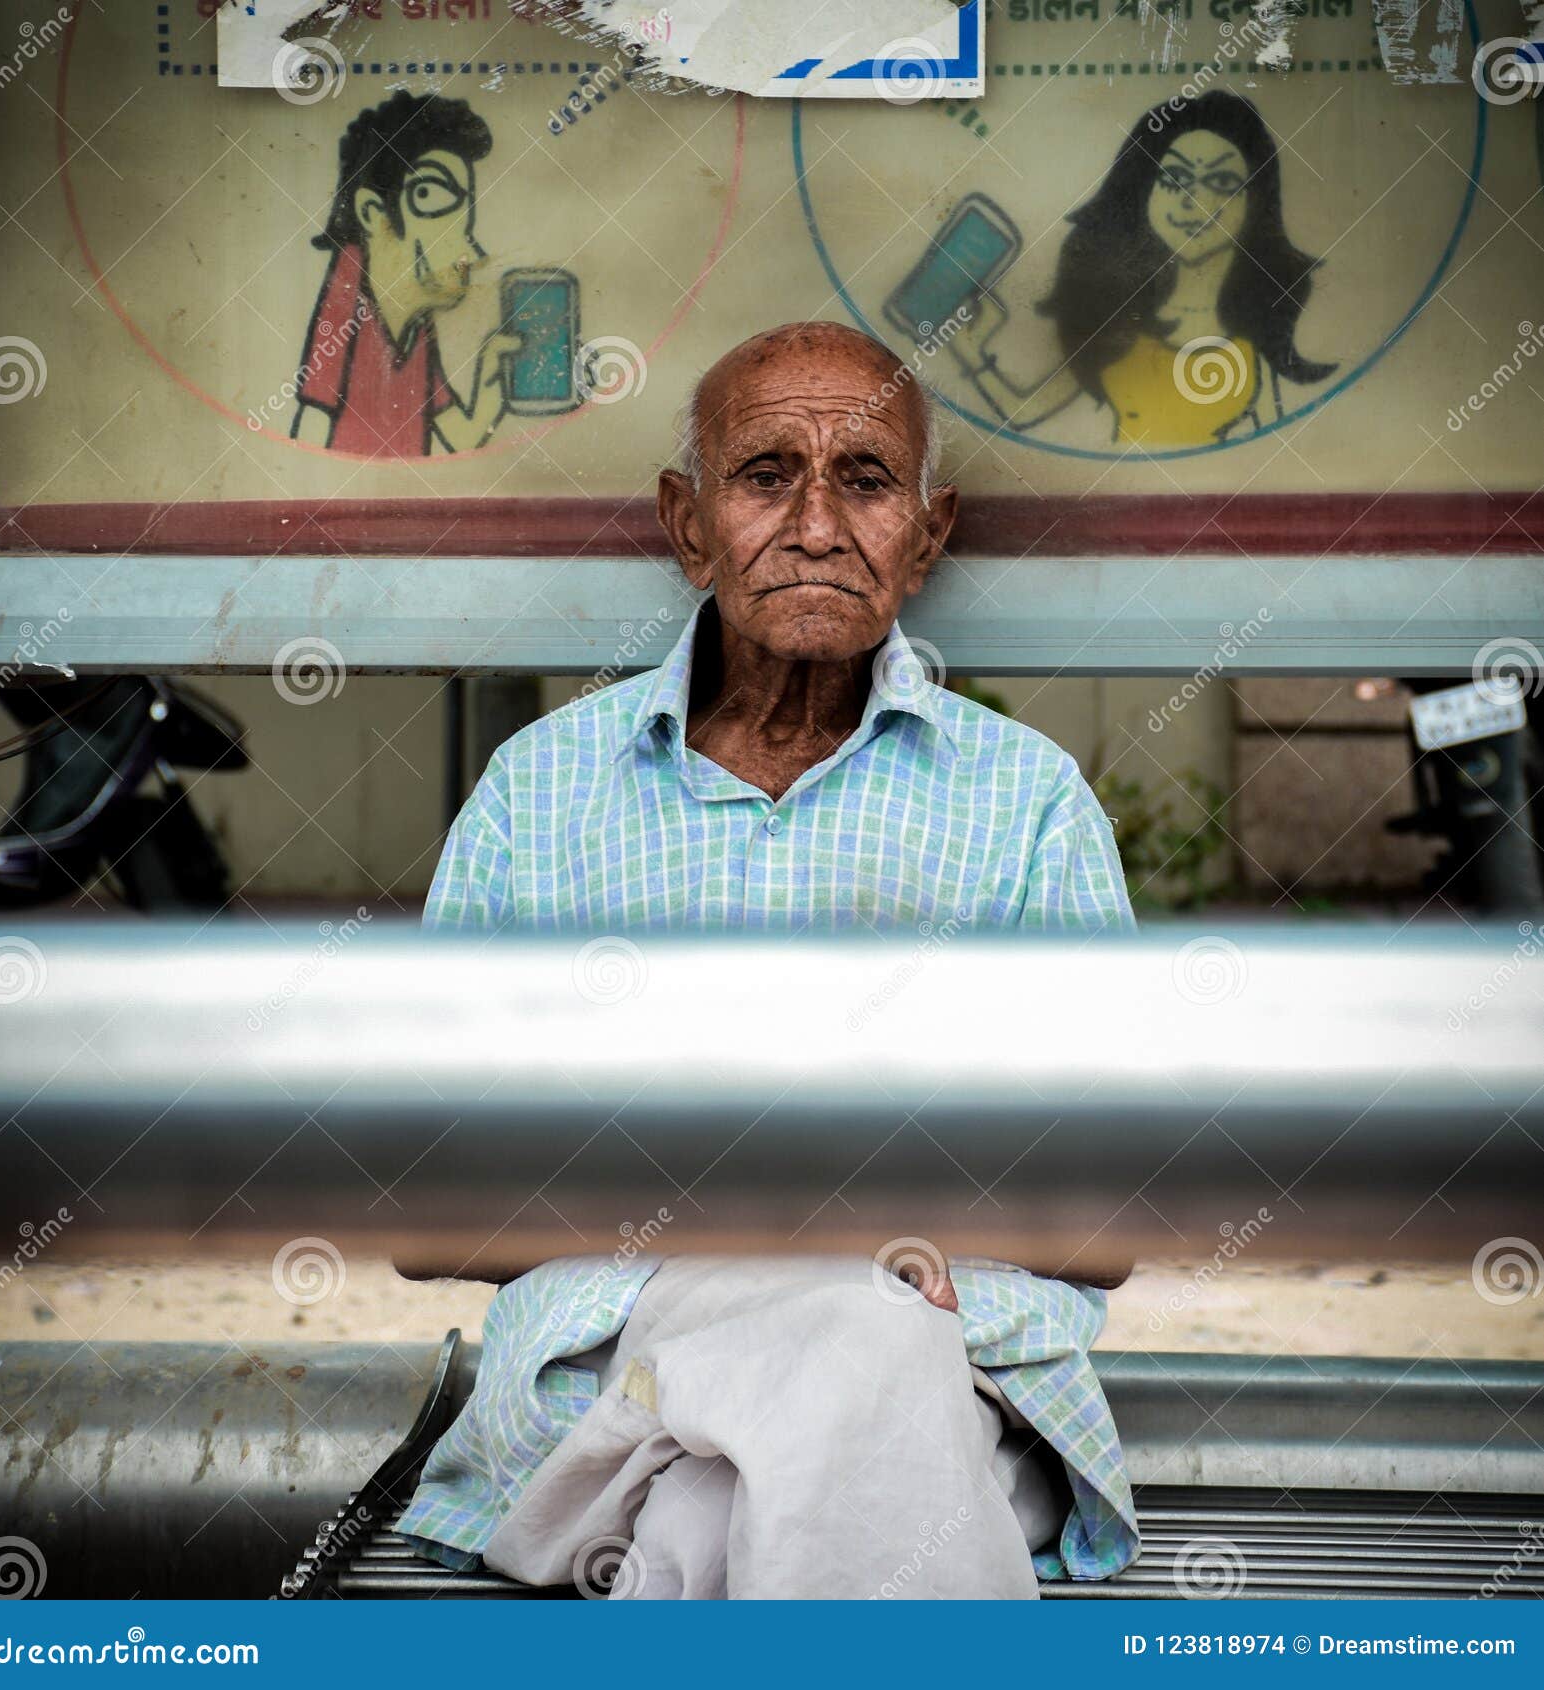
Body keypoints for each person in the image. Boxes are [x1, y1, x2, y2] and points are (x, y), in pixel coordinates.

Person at [398, 321, 1139, 1599]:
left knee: (756, 1468)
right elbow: (419, 1200)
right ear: (688, 525)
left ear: (928, 529)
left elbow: (1117, 1206)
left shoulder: (1026, 803)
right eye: (763, 477)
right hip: (618, 1386)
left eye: (864, 479)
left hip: (940, 1365)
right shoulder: (540, 794)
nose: (813, 524)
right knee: (830, 1371)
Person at [947, 90, 1335, 450]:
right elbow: (1025, 412)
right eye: (1174, 179)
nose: (1193, 202)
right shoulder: (1117, 319)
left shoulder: (1257, 330)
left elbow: (1274, 452)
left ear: (1254, 201)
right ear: (1142, 193)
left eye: (1221, 181)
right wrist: (966, 348)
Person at [292, 92, 520, 457]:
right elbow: (312, 423)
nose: (472, 254)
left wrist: (491, 381)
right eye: (429, 196)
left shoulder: (416, 318)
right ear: (371, 212)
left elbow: (459, 435)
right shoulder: (347, 292)